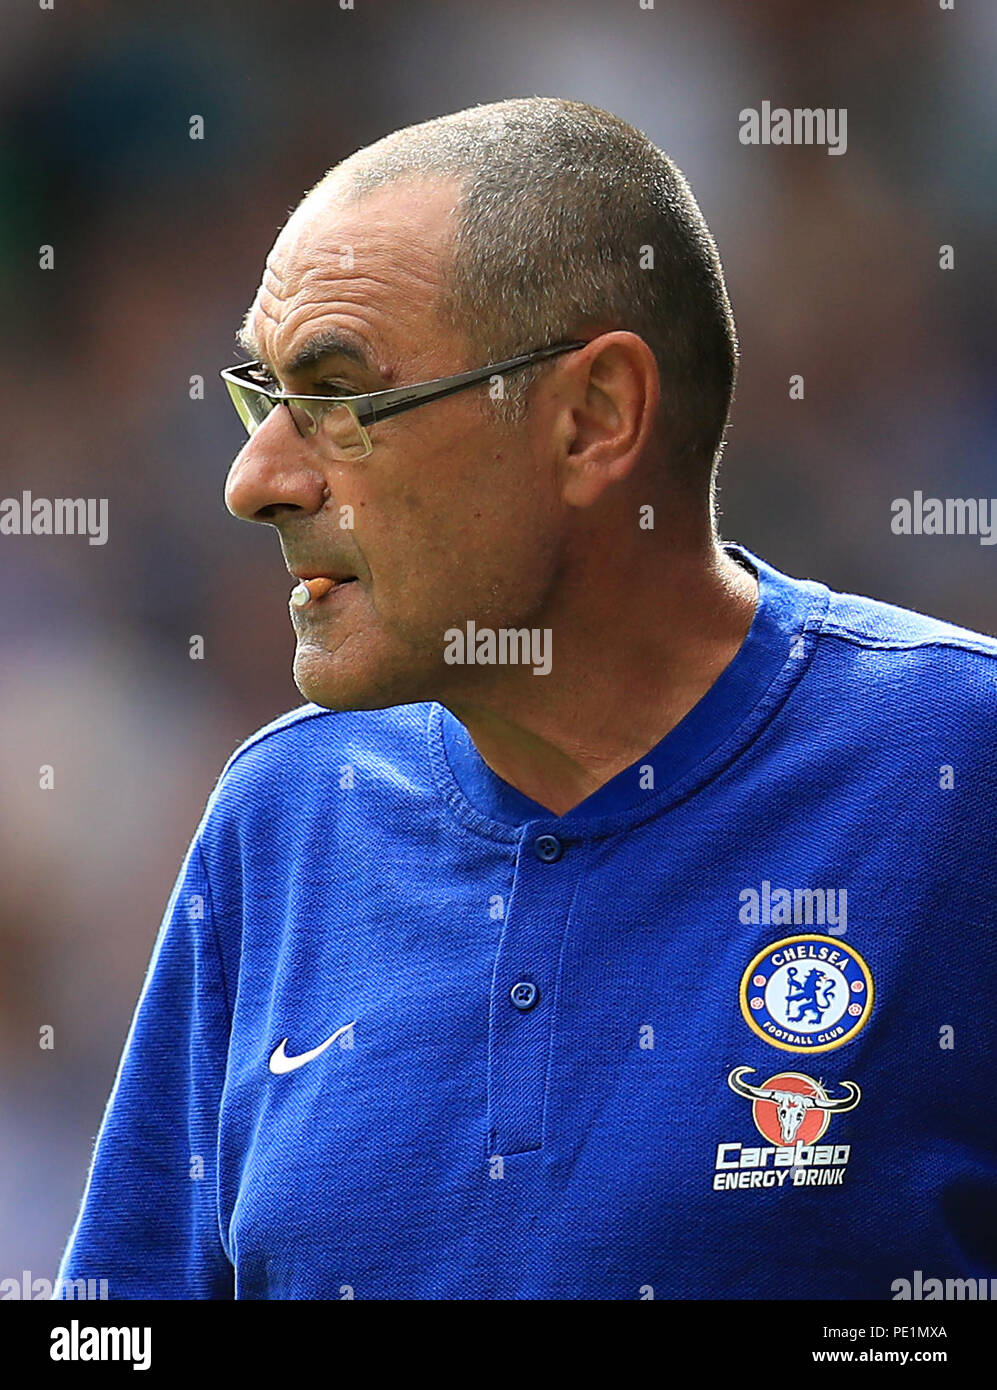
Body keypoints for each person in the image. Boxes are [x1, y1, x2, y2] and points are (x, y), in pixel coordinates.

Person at [56, 97, 996, 1300]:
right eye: (266, 396)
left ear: (593, 418)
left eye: (339, 397)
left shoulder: (953, 766)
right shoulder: (282, 816)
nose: (256, 479)